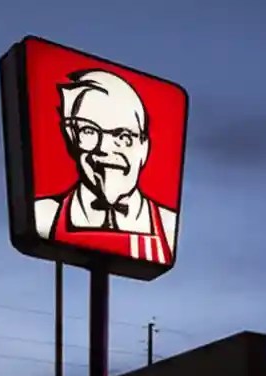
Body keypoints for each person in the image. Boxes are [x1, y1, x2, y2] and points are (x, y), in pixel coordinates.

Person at [34, 69, 178, 264]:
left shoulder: (168, 224)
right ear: (71, 139)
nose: (105, 149)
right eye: (89, 131)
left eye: (123, 136)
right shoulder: (43, 216)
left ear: (144, 148)